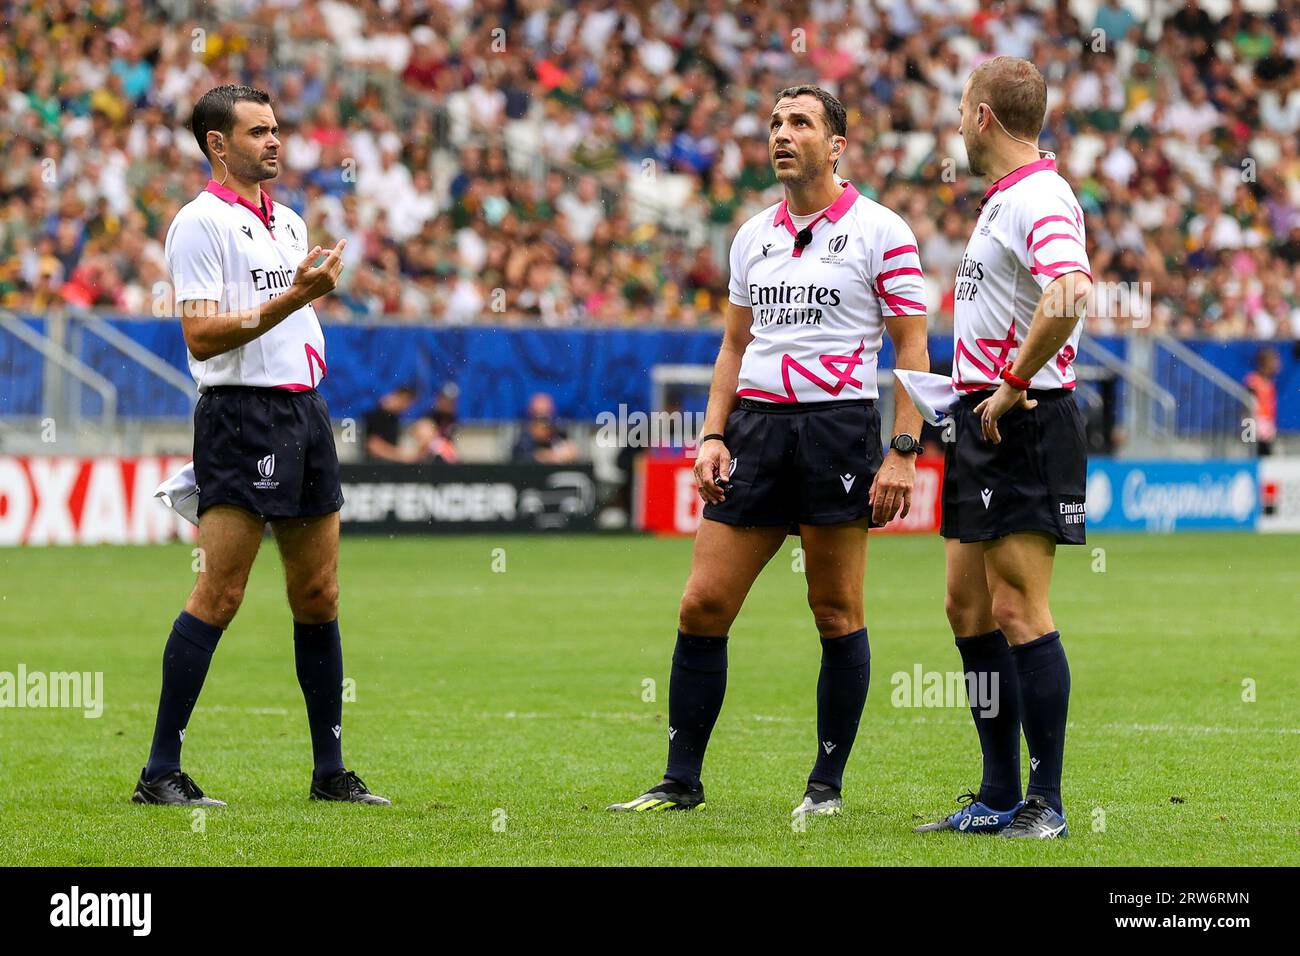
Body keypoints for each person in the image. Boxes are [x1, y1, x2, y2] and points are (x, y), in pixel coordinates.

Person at [608, 85, 930, 816]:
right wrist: (712, 434)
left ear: (837, 144)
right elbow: (733, 345)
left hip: (838, 431)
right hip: (754, 428)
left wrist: (905, 450)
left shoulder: (884, 231)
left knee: (835, 611)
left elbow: (912, 349)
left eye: (801, 123)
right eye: (777, 123)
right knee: (702, 604)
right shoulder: (752, 235)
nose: (783, 134)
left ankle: (825, 788)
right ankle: (679, 782)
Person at [134, 85, 388, 807]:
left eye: (276, 130)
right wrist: (298, 298)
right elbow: (203, 334)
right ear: (218, 144)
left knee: (319, 593)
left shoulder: (289, 221)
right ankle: (158, 771)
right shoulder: (199, 223)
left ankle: (329, 772)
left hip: (304, 413)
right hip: (242, 418)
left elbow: (284, 317)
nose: (275, 141)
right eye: (257, 132)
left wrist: (304, 296)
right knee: (221, 592)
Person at [916, 58, 1091, 839]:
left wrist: (1014, 379)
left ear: (983, 117)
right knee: (967, 606)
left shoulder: (1041, 196)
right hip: (980, 421)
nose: (955, 119)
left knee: (1020, 607)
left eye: (961, 107)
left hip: (1024, 422)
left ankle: (1045, 804)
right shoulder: (1003, 201)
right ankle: (995, 794)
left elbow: (1071, 289)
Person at [511, 392, 577, 463]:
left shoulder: (558, 432)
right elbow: (522, 457)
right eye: (539, 418)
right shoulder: (524, 437)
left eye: (546, 418)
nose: (543, 424)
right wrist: (547, 456)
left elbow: (571, 452)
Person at [363, 385, 417, 461]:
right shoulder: (379, 415)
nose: (408, 407)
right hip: (375, 465)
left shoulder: (394, 417)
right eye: (407, 402)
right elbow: (373, 445)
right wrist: (401, 456)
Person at [1245, 347, 1280, 456]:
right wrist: (1250, 424)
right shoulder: (1253, 381)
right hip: (1255, 421)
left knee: (1267, 453)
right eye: (1273, 361)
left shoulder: (1270, 382)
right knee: (1254, 452)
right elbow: (1248, 403)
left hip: (1267, 422)